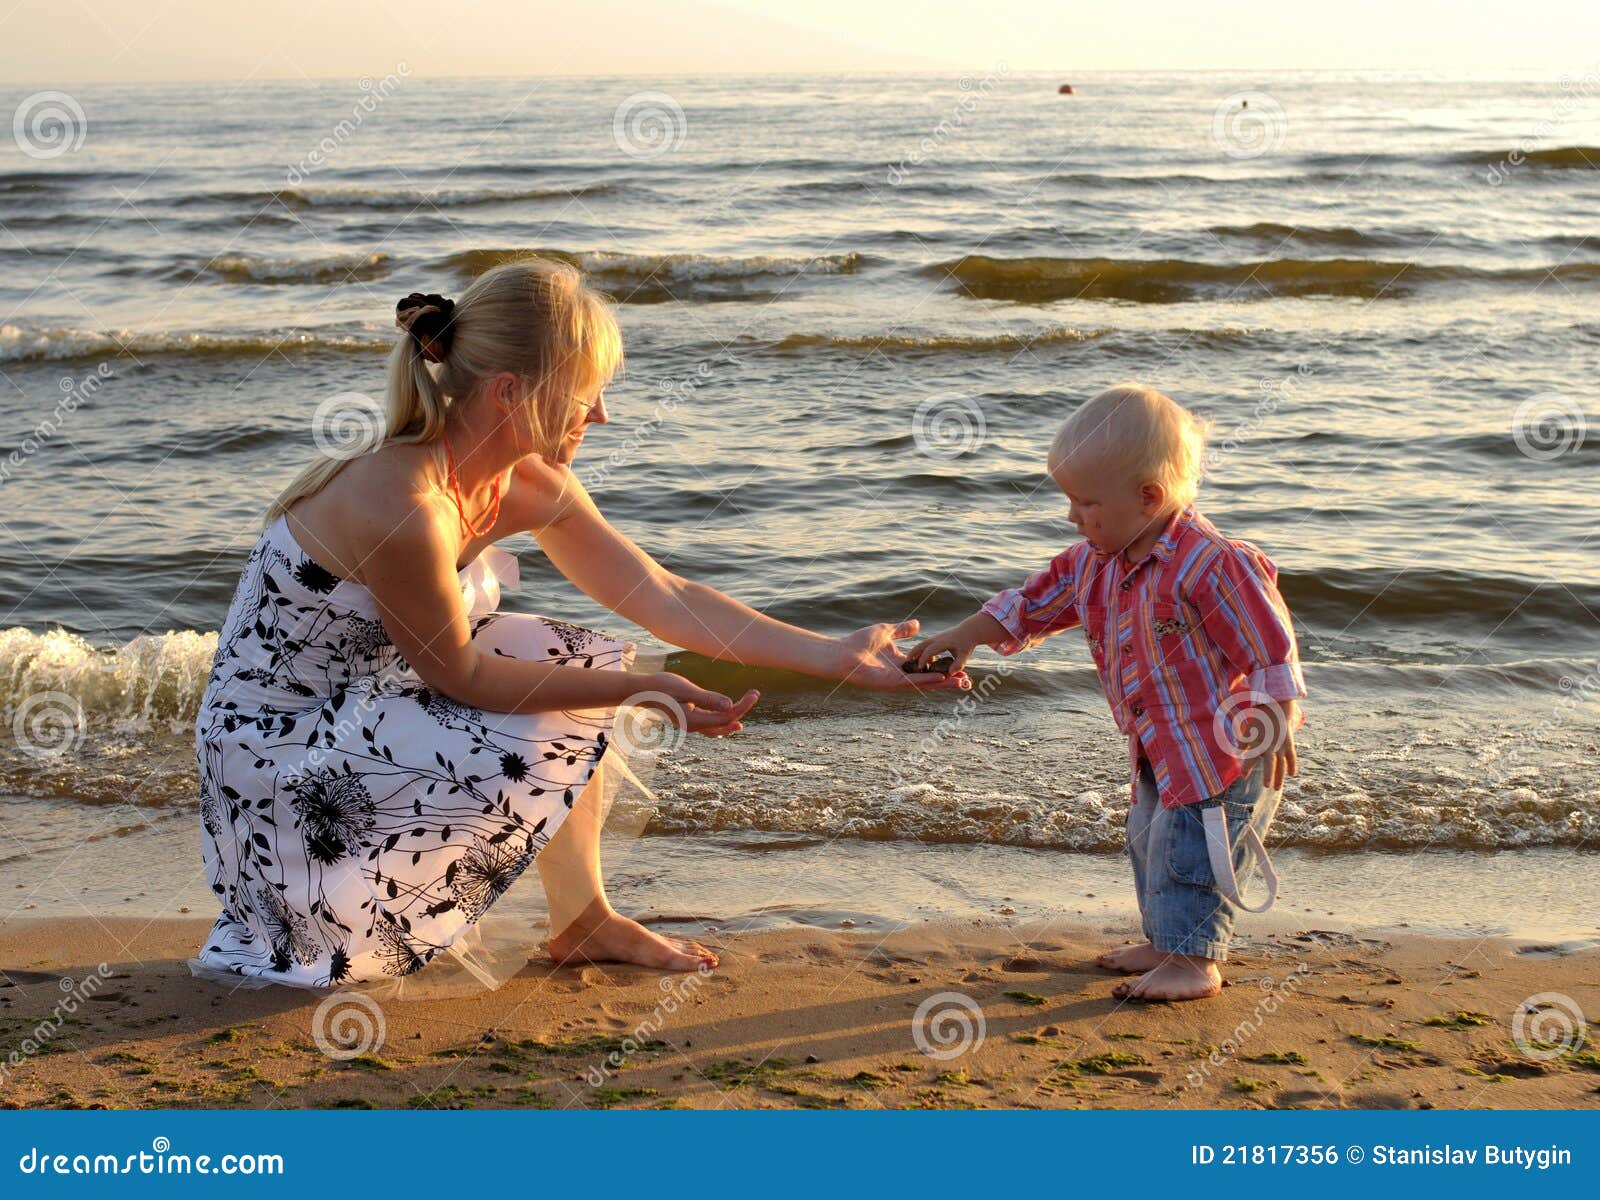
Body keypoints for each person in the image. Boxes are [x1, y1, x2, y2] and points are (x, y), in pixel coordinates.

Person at [190, 259, 968, 992]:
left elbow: (664, 594)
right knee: (575, 679)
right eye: (584, 393)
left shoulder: (524, 480)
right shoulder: (405, 503)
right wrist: (635, 688)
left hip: (359, 705)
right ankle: (320, 909)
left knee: (569, 656)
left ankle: (584, 920)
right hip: (273, 758)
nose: (599, 412)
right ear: (508, 393)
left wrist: (838, 655)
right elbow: (458, 676)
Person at [906, 383, 1306, 1001]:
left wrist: (1277, 712)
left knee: (1194, 850)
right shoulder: (1096, 562)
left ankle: (1195, 961)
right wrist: (967, 635)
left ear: (1148, 497)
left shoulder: (1211, 563)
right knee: (1149, 840)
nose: (1073, 517)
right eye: (1070, 501)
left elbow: (1267, 644)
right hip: (1156, 743)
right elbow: (1032, 603)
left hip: (1223, 747)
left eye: (1086, 503)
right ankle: (1163, 941)